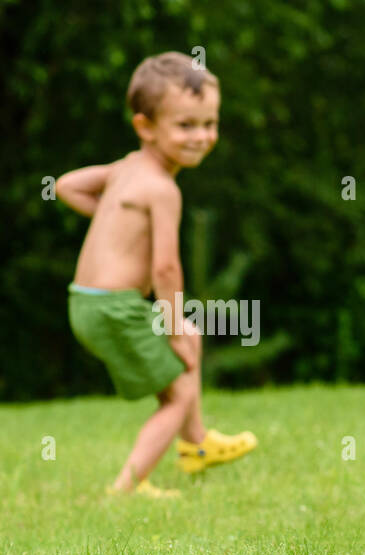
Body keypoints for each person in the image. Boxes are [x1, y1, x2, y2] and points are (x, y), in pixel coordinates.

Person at [55, 51, 256, 497]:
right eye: (186, 125)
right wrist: (171, 328)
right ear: (146, 127)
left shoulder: (126, 169)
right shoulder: (162, 189)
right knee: (179, 389)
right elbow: (166, 268)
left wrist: (119, 228)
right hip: (114, 308)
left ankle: (197, 444)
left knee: (192, 335)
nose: (201, 136)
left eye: (209, 123)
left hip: (86, 301)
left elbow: (66, 186)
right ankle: (126, 488)